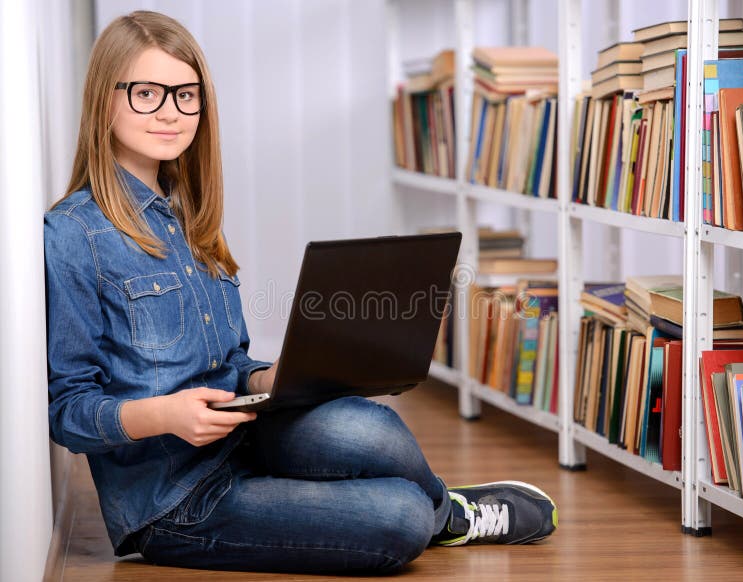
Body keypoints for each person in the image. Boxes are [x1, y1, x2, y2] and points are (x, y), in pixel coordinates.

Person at [44, 10, 557, 575]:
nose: (170, 111)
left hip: (241, 441)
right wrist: (165, 415)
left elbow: (228, 363)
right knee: (400, 518)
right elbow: (68, 411)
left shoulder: (187, 213)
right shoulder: (73, 234)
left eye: (186, 94)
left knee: (372, 426)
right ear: (105, 99)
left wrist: (273, 378)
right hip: (174, 503)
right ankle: (443, 513)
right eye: (147, 92)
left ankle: (445, 510)